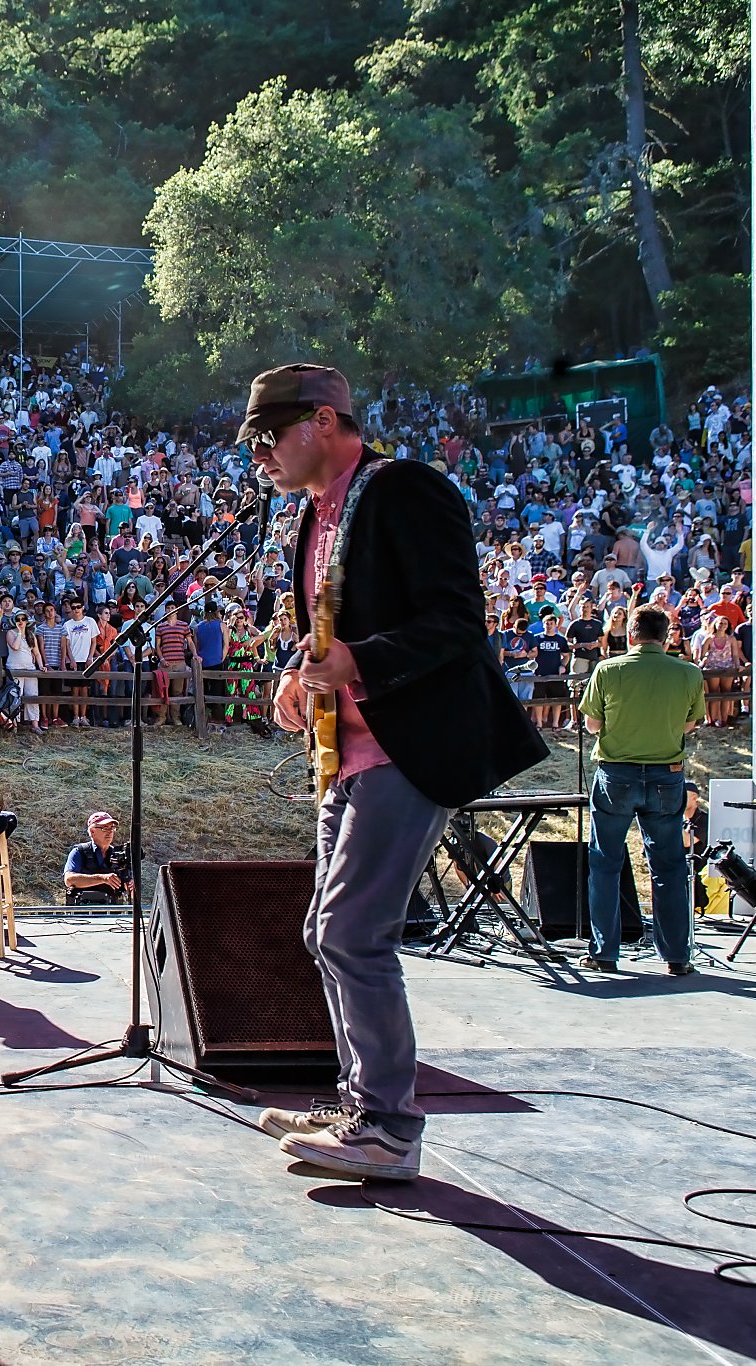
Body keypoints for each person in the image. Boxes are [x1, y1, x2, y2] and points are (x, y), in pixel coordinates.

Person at [250, 364, 545, 1181]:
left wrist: (359, 662)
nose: (259, 456)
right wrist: (296, 669)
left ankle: (388, 1126)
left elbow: (456, 622)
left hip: (404, 747)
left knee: (353, 932)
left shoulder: (404, 487)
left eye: (269, 436)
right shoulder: (315, 517)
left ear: (322, 420)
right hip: (342, 752)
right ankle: (361, 1105)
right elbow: (325, 633)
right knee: (327, 933)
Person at [577, 603, 705, 975]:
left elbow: (592, 725)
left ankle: (605, 952)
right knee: (668, 866)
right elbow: (691, 724)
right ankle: (677, 956)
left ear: (630, 635)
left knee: (605, 863)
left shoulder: (608, 669)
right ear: (666, 637)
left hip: (617, 773)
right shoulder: (688, 672)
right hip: (666, 775)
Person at [63, 810, 130, 906]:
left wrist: (130, 886)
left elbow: (128, 889)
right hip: (81, 915)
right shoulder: (79, 852)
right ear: (92, 831)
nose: (110, 832)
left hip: (113, 916)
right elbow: (69, 880)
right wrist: (103, 878)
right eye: (105, 828)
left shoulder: (118, 855)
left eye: (112, 828)